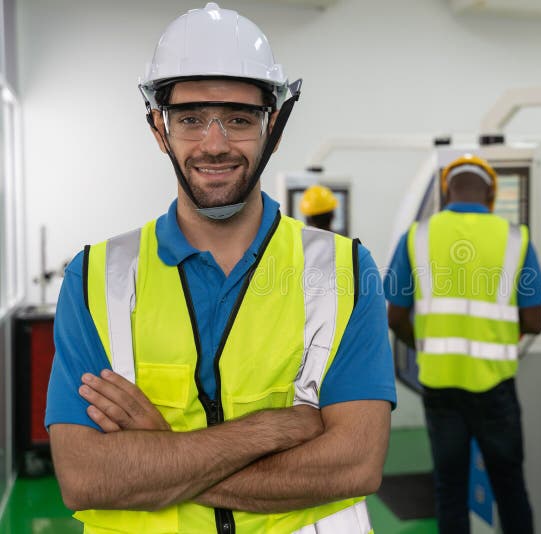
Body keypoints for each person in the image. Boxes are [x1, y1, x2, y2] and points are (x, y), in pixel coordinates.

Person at [45, 4, 396, 533]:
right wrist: (275, 430)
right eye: (189, 119)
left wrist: (157, 454)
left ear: (271, 125)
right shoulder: (95, 278)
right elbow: (85, 476)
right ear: (159, 130)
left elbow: (355, 463)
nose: (214, 144)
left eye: (238, 118)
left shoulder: (344, 272)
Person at [383, 154, 541, 534]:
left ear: (446, 192)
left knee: (450, 487)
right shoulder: (515, 238)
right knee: (509, 486)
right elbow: (536, 320)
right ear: (491, 194)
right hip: (496, 386)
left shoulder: (417, 236)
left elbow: (395, 317)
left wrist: (427, 345)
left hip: (440, 386)